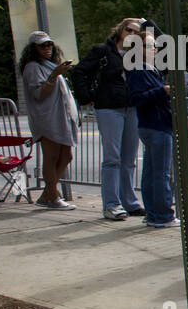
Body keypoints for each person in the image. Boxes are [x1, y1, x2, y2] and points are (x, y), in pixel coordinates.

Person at [74, 18, 144, 221]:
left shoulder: (136, 54)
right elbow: (79, 71)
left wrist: (148, 25)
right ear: (121, 30)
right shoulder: (102, 50)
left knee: (129, 158)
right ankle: (111, 204)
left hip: (130, 107)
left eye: (136, 32)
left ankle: (129, 202)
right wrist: (86, 97)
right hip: (108, 107)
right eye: (129, 29)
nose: (131, 34)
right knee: (112, 158)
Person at [19, 31, 78, 210]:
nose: (47, 49)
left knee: (67, 156)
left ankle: (48, 193)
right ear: (33, 48)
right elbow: (38, 93)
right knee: (51, 157)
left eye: (49, 45)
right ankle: (52, 196)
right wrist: (54, 75)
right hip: (46, 118)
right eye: (43, 45)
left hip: (61, 116)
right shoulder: (32, 67)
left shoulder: (49, 65)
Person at [125, 33, 178, 227]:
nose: (154, 49)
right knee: (161, 174)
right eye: (149, 46)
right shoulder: (139, 70)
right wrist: (162, 91)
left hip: (153, 125)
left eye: (154, 45)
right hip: (156, 126)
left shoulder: (147, 69)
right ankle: (163, 215)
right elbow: (136, 98)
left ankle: (154, 214)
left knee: (152, 173)